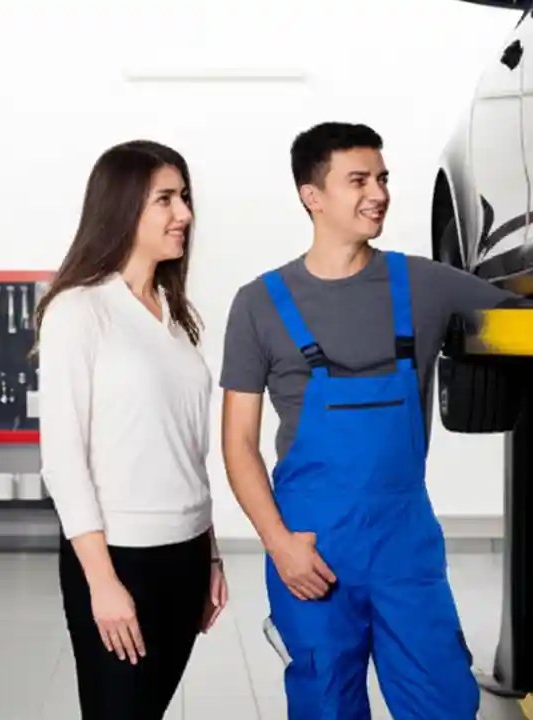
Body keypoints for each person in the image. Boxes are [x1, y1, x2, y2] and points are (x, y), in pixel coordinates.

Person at [219, 122, 517, 719]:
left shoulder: (424, 284)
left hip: (404, 543)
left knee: (444, 703)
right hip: (312, 547)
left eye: (382, 179)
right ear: (313, 195)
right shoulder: (259, 303)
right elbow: (238, 445)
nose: (377, 193)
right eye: (358, 180)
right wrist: (280, 547)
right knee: (325, 704)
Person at [35, 139, 229, 720]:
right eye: (165, 200)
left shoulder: (176, 319)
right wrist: (102, 582)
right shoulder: (79, 310)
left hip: (187, 553)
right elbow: (63, 460)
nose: (184, 215)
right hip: (121, 558)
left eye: (185, 198)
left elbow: (185, 448)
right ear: (121, 208)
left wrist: (212, 554)